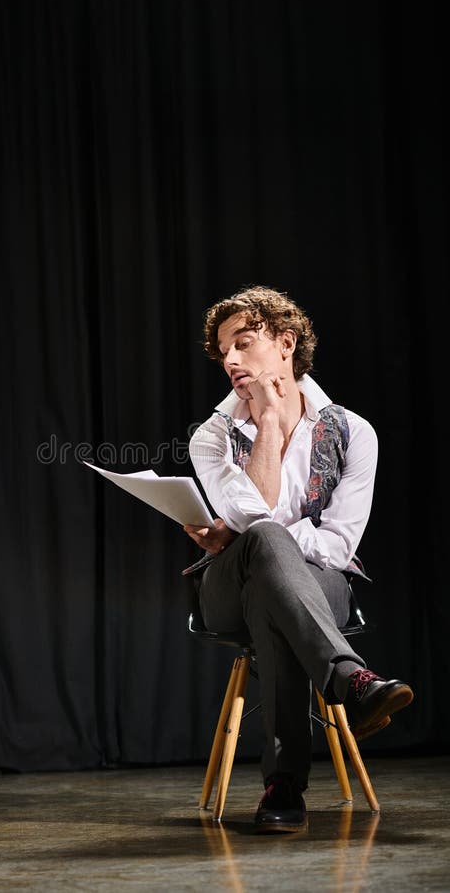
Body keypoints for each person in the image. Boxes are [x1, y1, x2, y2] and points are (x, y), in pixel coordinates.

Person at [183, 285, 413, 833]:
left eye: (244, 343)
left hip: (319, 584)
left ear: (286, 343)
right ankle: (352, 682)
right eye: (223, 351)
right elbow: (259, 518)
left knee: (273, 583)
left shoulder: (354, 432)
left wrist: (258, 538)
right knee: (264, 551)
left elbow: (338, 547)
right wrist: (264, 426)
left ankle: (283, 786)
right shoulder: (212, 437)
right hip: (225, 591)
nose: (230, 360)